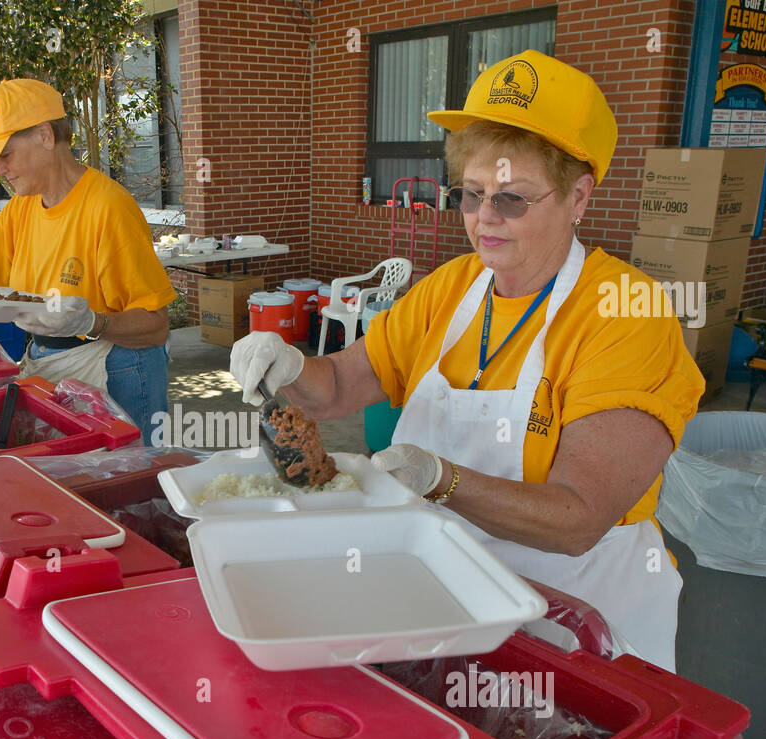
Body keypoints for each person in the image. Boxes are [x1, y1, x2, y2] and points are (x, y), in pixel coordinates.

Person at [229, 51, 704, 672]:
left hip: (575, 626)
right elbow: (341, 384)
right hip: (442, 596)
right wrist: (290, 367)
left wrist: (441, 480)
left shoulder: (626, 312)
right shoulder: (451, 288)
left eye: (512, 198)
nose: (484, 220)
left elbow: (578, 518)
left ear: (579, 195)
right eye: (471, 194)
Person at [0, 78, 176, 441]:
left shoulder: (108, 208)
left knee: (129, 482)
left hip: (117, 367)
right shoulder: (22, 207)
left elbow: (156, 325)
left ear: (45, 135)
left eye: (5, 154)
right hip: (47, 357)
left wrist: (94, 322)